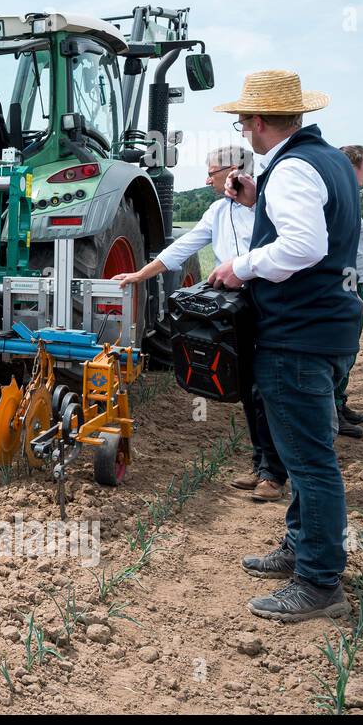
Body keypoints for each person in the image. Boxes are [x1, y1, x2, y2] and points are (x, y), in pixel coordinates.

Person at [209, 70, 360, 622]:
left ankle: (319, 583)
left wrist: (238, 267)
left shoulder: (293, 167)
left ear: (256, 121)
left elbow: (303, 244)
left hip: (298, 332)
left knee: (311, 461)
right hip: (329, 324)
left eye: (242, 121)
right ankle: (302, 546)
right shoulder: (328, 161)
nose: (242, 130)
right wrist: (257, 199)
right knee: (305, 451)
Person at [113, 146, 284, 500]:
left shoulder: (272, 205)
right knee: (248, 388)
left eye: (213, 172)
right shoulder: (218, 211)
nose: (208, 179)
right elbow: (183, 247)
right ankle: (263, 467)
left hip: (272, 303)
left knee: (268, 390)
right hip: (237, 307)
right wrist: (141, 274)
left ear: (236, 171)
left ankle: (276, 475)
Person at [334, 144, 363, 436]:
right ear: (351, 167)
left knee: (349, 349)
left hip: (356, 282)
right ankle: (333, 411)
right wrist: (351, 291)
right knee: (342, 349)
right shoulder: (339, 198)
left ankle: (340, 403)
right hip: (348, 283)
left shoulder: (349, 197)